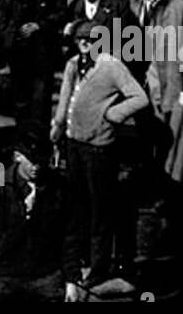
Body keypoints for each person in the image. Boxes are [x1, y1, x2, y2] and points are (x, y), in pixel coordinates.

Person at [51, 16, 149, 297]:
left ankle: (99, 267)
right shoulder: (72, 64)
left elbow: (139, 97)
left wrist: (112, 115)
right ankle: (78, 261)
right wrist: (57, 128)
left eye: (91, 40)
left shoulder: (111, 66)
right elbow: (66, 97)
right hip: (74, 144)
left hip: (98, 148)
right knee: (77, 205)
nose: (85, 45)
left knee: (100, 210)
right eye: (81, 40)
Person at [0, 124, 67, 302]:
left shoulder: (58, 187)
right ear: (18, 157)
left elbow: (70, 234)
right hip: (8, 276)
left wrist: (73, 279)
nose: (37, 166)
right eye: (32, 160)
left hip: (47, 274)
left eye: (41, 160)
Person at [0, 0, 64, 127]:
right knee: (20, 98)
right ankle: (21, 139)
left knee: (41, 101)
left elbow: (60, 15)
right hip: (17, 51)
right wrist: (8, 39)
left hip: (42, 52)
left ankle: (38, 142)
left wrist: (40, 25)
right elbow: (2, 16)